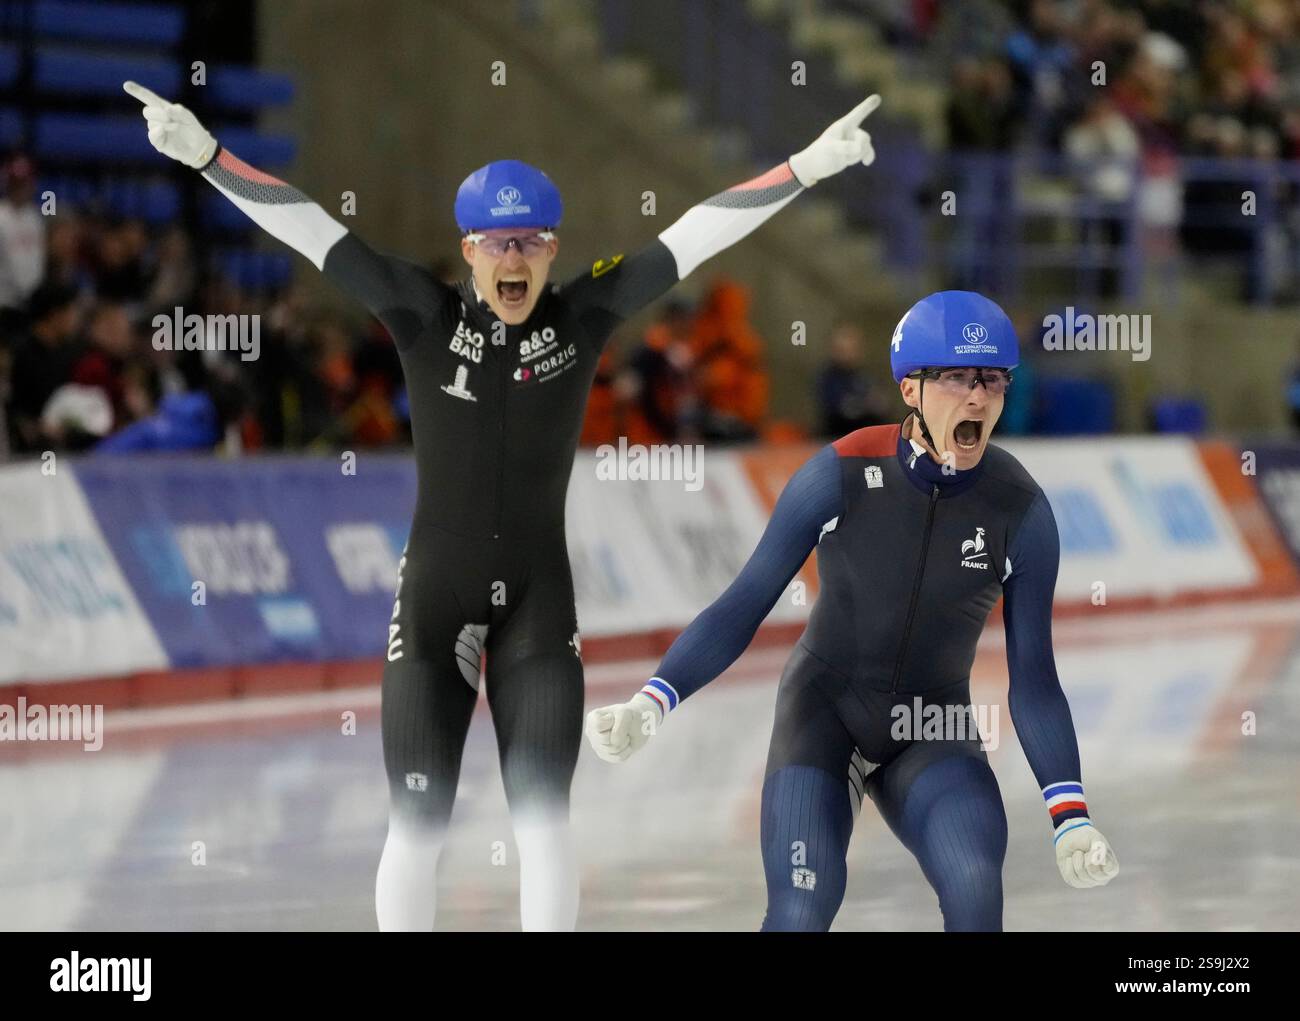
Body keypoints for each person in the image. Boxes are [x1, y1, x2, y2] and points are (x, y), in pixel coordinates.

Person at [124, 79, 883, 931]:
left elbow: (698, 233)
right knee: (416, 825)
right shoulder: (419, 310)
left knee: (544, 823)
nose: (514, 262)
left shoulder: (583, 315)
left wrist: (807, 168)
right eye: (497, 244)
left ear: (553, 250)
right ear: (469, 250)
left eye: (530, 243)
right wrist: (208, 158)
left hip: (538, 603)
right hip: (435, 597)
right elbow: (307, 226)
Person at [586, 290, 1118, 931]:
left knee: (976, 891)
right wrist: (653, 701)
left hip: (932, 726)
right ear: (911, 391)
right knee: (803, 909)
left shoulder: (1021, 512)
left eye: (992, 380)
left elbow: (1034, 678)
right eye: (955, 378)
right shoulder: (839, 472)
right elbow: (745, 603)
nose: (978, 398)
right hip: (824, 716)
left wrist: (1071, 814)